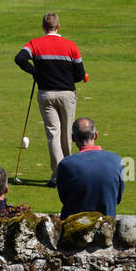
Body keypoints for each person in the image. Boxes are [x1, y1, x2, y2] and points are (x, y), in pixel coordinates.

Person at [15, 13, 87, 187]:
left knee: (53, 134)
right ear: (58, 27)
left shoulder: (35, 43)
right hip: (67, 94)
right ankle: (69, 174)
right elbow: (79, 74)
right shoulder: (70, 45)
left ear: (43, 28)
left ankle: (57, 177)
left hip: (46, 94)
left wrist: (35, 72)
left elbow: (20, 58)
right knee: (67, 132)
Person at [56, 118, 124, 218]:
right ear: (96, 135)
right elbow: (117, 198)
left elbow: (64, 197)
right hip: (106, 225)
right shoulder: (116, 160)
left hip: (73, 225)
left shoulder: (66, 164)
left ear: (73, 138)